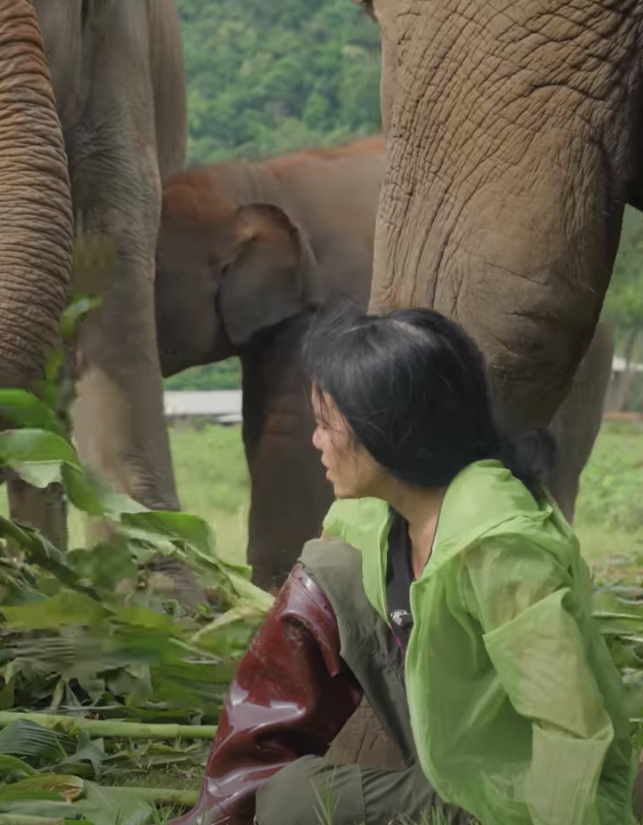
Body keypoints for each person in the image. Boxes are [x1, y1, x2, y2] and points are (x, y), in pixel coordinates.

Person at [170, 307, 638, 825]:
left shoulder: (499, 549)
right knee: (328, 565)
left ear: (386, 431)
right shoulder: (389, 508)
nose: (315, 440)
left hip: (515, 796)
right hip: (455, 759)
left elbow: (571, 728)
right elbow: (340, 528)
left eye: (326, 424)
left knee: (290, 801)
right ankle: (221, 803)